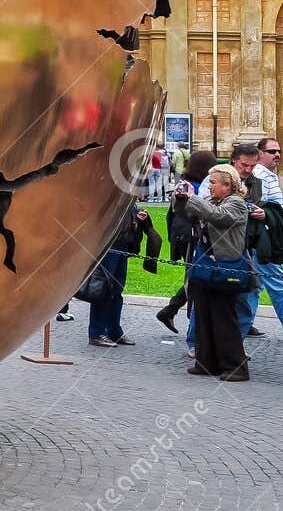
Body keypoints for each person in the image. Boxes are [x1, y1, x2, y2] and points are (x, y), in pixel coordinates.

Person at [177, 164, 252, 381]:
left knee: (224, 318)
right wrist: (180, 198)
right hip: (205, 264)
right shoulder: (210, 201)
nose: (209, 186)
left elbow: (218, 216)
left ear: (228, 185)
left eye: (213, 182)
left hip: (225, 266)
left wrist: (193, 198)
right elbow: (186, 213)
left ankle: (236, 367)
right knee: (203, 315)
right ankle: (206, 362)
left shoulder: (236, 204)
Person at [232, 143, 283, 342]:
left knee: (254, 284)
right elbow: (267, 209)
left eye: (279, 151)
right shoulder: (258, 177)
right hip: (261, 239)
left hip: (264, 236)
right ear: (260, 154)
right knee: (277, 281)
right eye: (272, 151)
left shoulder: (267, 176)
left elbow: (277, 211)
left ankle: (245, 323)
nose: (277, 154)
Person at [156, 149, 218, 334]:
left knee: (195, 276)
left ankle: (170, 310)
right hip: (190, 236)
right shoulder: (189, 185)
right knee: (195, 278)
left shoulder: (195, 183)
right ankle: (193, 325)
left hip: (191, 235)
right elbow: (187, 211)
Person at [89, 203, 160, 346]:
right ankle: (96, 332)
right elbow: (108, 214)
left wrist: (138, 215)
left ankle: (114, 331)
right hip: (109, 243)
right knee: (103, 288)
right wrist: (134, 216)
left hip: (123, 242)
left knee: (117, 289)